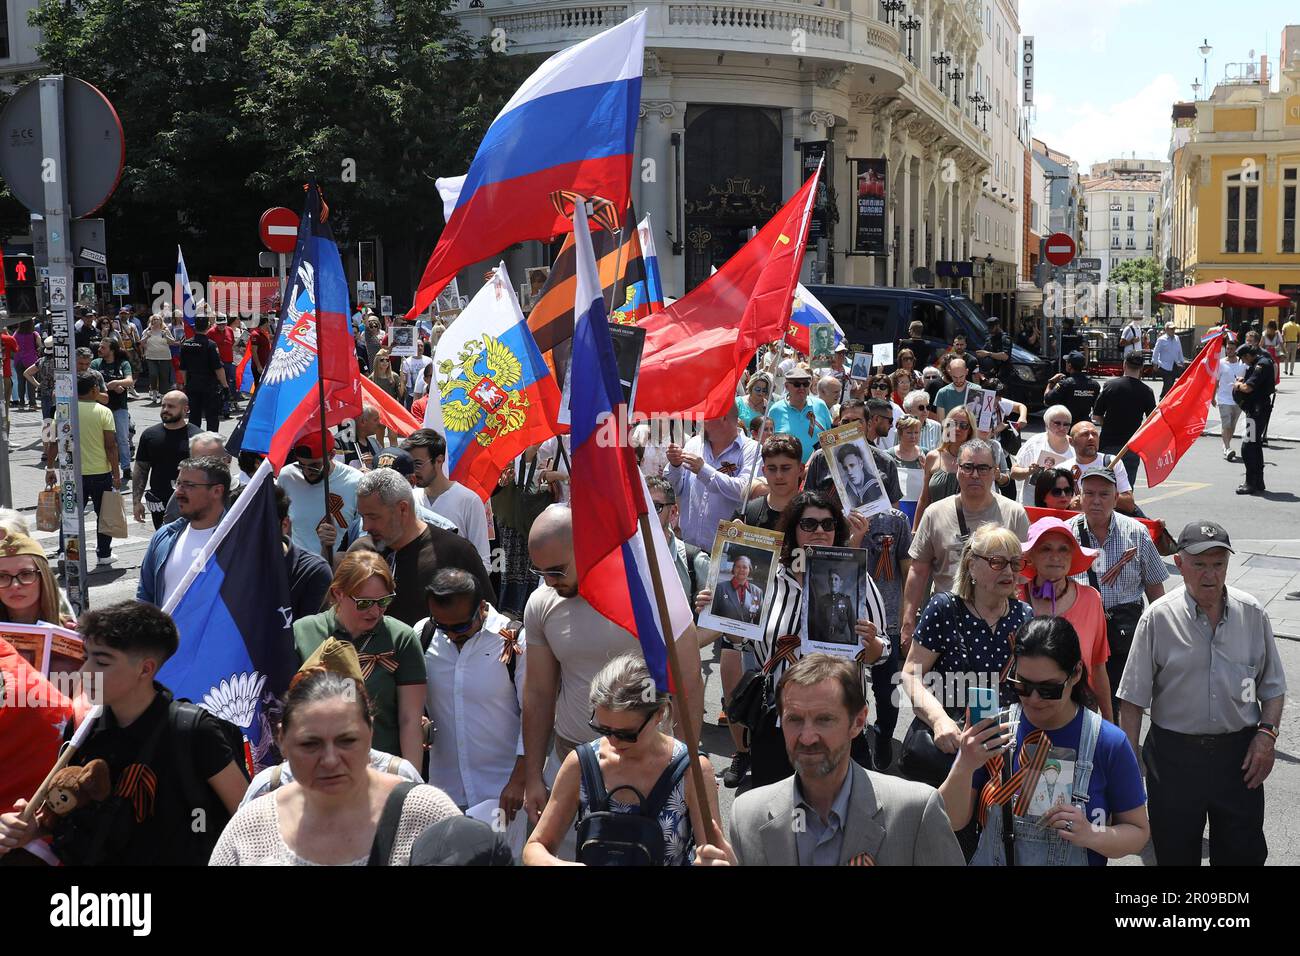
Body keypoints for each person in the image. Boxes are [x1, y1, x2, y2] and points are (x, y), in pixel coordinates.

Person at [0, 602, 250, 865]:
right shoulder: (84, 727)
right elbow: (68, 810)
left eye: (102, 661)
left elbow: (248, 818)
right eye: (86, 657)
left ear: (145, 669)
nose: (85, 672)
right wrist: (32, 829)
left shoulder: (192, 730)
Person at [521, 505, 705, 829]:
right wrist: (533, 775)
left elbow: (688, 685)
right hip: (568, 765)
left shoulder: (652, 595)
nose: (548, 582)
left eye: (557, 571)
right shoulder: (541, 605)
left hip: (651, 772)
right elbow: (538, 694)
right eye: (541, 573)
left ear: (585, 546)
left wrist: (687, 770)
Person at [1118, 520, 1287, 866]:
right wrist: (1129, 762)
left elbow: (1273, 687)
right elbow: (1132, 701)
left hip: (1239, 758)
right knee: (1175, 855)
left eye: (1218, 564)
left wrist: (1266, 737)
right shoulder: (1157, 619)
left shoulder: (1252, 614)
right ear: (1179, 565)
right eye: (1199, 564)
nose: (1209, 574)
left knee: (1243, 855)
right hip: (1174, 758)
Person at [694, 654, 964, 866]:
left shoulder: (914, 812)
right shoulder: (747, 816)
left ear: (858, 722)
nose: (807, 737)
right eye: (795, 719)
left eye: (824, 719)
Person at [698, 491, 883, 788]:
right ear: (793, 530)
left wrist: (871, 641)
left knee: (847, 817)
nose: (820, 531)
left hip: (840, 720)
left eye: (828, 524)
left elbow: (880, 654)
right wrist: (715, 609)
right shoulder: (767, 579)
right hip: (778, 722)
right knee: (777, 817)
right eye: (808, 524)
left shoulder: (858, 581)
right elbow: (738, 639)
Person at [939, 617, 1148, 866]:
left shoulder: (1108, 743)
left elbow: (1138, 832)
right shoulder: (995, 730)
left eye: (1048, 689)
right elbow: (951, 820)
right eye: (1023, 685)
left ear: (1076, 673)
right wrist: (964, 764)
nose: (1034, 699)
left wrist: (1092, 834)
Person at [210, 667, 460, 865]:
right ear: (281, 741)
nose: (330, 760)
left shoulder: (426, 813)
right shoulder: (251, 826)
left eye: (347, 741)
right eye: (310, 744)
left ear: (370, 733)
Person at [524, 654, 721, 866]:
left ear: (659, 713)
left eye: (627, 734)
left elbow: (715, 853)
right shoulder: (581, 764)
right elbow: (534, 848)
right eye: (604, 729)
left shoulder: (691, 771)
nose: (614, 742)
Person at [901, 526, 1033, 789]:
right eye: (997, 562)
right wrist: (939, 720)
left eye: (1015, 563)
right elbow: (910, 674)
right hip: (950, 745)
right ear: (972, 565)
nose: (1009, 571)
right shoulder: (944, 608)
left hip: (1004, 748)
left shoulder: (1025, 615)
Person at [292, 550, 426, 767]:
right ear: (338, 594)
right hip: (321, 768)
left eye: (383, 601)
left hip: (383, 769)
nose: (375, 611)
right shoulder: (303, 632)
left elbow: (410, 720)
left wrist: (412, 782)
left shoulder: (401, 638)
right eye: (364, 603)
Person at [419, 568, 527, 816]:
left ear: (481, 607)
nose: (452, 634)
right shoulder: (423, 636)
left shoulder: (514, 641)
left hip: (502, 794)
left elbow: (534, 715)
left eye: (461, 626)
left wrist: (520, 780)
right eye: (442, 626)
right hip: (443, 794)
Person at [901, 440, 1030, 648]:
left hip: (1000, 624)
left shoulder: (1014, 513)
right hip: (946, 621)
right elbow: (918, 570)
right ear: (957, 468)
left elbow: (1024, 575)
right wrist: (908, 622)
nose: (975, 475)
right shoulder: (935, 513)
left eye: (983, 468)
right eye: (968, 467)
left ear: (995, 471)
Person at [1067, 468, 1168, 716]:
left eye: (1104, 494)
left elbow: (1155, 588)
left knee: (1121, 701)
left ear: (1115, 498)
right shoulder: (1065, 535)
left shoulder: (1136, 532)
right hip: (1080, 635)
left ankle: (1119, 746)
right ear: (1079, 496)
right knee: (1081, 702)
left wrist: (1163, 636)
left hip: (1123, 634)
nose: (1096, 500)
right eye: (1089, 493)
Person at [348, 467, 494, 627]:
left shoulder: (454, 552)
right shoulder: (361, 552)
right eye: (362, 516)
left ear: (402, 509)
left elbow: (488, 621)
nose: (366, 526)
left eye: (373, 517)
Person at [1017, 516, 1112, 720]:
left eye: (1063, 549)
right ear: (1031, 555)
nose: (1055, 557)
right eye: (1046, 549)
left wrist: (1109, 722)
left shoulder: (1091, 599)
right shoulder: (1015, 599)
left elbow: (1098, 667)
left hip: (1079, 713)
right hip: (1026, 710)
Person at [137, 456, 230, 607]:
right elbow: (144, 597)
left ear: (217, 491)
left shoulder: (239, 540)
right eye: (178, 484)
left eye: (189, 485)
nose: (179, 492)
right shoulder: (164, 536)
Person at [665, 404, 759, 549]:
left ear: (724, 419)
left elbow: (745, 491)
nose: (700, 421)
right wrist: (675, 466)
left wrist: (703, 470)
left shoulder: (752, 450)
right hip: (688, 547)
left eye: (706, 418)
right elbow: (674, 490)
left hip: (725, 553)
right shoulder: (694, 443)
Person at [400, 428, 491, 567]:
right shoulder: (409, 498)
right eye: (409, 464)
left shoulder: (469, 501)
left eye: (418, 464)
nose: (413, 471)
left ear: (439, 460)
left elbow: (482, 561)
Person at [278, 430, 363, 557]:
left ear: (332, 454)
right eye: (301, 465)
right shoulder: (287, 476)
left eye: (314, 466)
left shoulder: (355, 481)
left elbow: (363, 532)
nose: (307, 472)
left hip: (339, 568)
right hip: (299, 567)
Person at [804, 399, 903, 507]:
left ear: (869, 425)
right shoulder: (821, 458)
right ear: (839, 424)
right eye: (846, 422)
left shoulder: (886, 462)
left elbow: (893, 507)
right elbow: (808, 500)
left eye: (857, 422)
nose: (850, 427)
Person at [69, 371, 120, 569]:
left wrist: (49, 467)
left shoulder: (64, 410)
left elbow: (54, 442)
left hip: (72, 474)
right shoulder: (103, 411)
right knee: (104, 515)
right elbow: (111, 446)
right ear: (93, 390)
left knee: (71, 515)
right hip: (100, 472)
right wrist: (116, 473)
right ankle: (104, 554)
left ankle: (70, 553)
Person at [131, 390, 199, 529]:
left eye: (171, 406)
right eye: (163, 406)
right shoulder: (149, 435)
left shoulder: (198, 437)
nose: (165, 410)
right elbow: (141, 469)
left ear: (185, 409)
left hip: (190, 502)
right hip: (159, 503)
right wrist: (136, 502)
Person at [1091, 350, 1156, 481]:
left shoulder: (1110, 386)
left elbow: (1097, 416)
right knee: (1127, 487)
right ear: (1141, 368)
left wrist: (1107, 424)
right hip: (1131, 445)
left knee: (1106, 483)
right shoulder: (1147, 391)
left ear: (1124, 364)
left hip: (1109, 442)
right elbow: (1152, 421)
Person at [911, 406, 974, 528]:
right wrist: (915, 530)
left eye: (964, 425)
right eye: (953, 423)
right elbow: (924, 499)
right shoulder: (933, 456)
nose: (957, 428)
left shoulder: (976, 458)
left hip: (967, 527)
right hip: (935, 526)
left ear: (970, 430)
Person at [0, 529, 75, 627]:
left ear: (44, 578)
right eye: (2, 576)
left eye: (26, 574)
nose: (15, 585)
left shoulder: (72, 635)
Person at [90, 335, 134, 484]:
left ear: (112, 350)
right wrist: (113, 386)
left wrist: (117, 382)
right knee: (104, 440)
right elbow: (91, 380)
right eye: (100, 347)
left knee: (122, 438)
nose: (99, 349)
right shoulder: (96, 363)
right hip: (100, 407)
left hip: (119, 407)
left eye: (103, 347)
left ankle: (126, 468)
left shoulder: (123, 363)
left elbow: (129, 380)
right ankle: (106, 468)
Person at [1232, 344, 1275, 495]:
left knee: (1248, 446)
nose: (1244, 362)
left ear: (1248, 355)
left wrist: (1238, 385)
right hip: (1257, 409)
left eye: (1244, 358)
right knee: (1255, 445)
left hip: (1256, 411)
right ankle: (1259, 481)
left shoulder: (1261, 365)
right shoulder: (1261, 362)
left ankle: (1250, 483)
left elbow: (1248, 388)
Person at [766, 365, 832, 463]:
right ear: (787, 386)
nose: (801, 388)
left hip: (818, 469)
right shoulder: (775, 410)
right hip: (787, 471)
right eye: (797, 384)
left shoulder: (820, 405)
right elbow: (768, 442)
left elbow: (830, 437)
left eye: (805, 384)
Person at [1010, 405, 1074, 505]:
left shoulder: (1074, 447)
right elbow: (1014, 473)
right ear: (1047, 423)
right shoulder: (1035, 443)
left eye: (1066, 424)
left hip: (1062, 508)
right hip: (1033, 505)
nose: (1062, 427)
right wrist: (1029, 471)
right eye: (1057, 423)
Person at [1067, 421, 1137, 514]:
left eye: (1094, 434)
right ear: (1071, 441)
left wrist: (1102, 494)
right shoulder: (1063, 468)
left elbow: (1129, 505)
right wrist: (1069, 504)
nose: (1091, 438)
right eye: (1084, 434)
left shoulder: (1112, 462)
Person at [743, 435, 804, 531]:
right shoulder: (746, 515)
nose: (778, 476)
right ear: (764, 471)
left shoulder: (817, 514)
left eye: (786, 468)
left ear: (800, 469)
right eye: (772, 469)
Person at [1214, 338, 1247, 462]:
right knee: (1226, 424)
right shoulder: (1221, 363)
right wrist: (1212, 397)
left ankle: (1225, 443)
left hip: (1238, 399)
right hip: (1223, 399)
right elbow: (1216, 381)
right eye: (1227, 348)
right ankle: (1227, 448)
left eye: (1232, 349)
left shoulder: (1242, 364)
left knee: (1232, 426)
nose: (1229, 351)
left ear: (1236, 350)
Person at [711, 554, 763, 624]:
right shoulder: (719, 588)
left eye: (745, 567)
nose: (741, 570)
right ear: (733, 569)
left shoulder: (757, 592)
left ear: (749, 570)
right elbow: (711, 615)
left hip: (745, 634)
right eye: (738, 567)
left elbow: (759, 621)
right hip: (720, 633)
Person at [141, 315, 178, 402]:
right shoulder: (147, 331)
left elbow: (173, 342)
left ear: (161, 321)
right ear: (151, 321)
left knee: (164, 376)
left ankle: (162, 394)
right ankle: (153, 390)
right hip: (151, 356)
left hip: (164, 356)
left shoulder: (165, 330)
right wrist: (147, 337)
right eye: (154, 319)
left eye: (157, 319)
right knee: (153, 374)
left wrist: (166, 336)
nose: (155, 321)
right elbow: (141, 343)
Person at [206, 315, 238, 416]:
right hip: (216, 363)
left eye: (223, 324)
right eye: (219, 324)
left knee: (228, 385)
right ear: (216, 323)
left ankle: (226, 407)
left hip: (228, 362)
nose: (221, 326)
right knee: (217, 386)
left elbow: (232, 344)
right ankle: (218, 407)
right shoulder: (210, 332)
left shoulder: (229, 330)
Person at [1151, 322, 1185, 397]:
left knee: (1170, 384)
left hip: (1174, 365)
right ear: (1166, 329)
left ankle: (1163, 399)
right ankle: (1163, 400)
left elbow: (1180, 350)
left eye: (1174, 329)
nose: (1173, 330)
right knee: (1168, 383)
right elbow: (1156, 352)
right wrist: (1155, 363)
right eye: (1171, 329)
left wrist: (1182, 361)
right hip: (1164, 366)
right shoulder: (1161, 339)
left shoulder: (1177, 338)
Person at [1262, 320, 1283, 385]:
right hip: (1275, 351)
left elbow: (1261, 343)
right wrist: (1284, 351)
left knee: (1267, 367)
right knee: (1276, 368)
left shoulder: (1264, 333)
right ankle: (1274, 383)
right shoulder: (1277, 333)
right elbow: (1281, 343)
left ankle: (1267, 382)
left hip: (1267, 351)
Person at [1282, 310, 1299, 375]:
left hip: (1287, 342)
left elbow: (1283, 334)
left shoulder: (1285, 325)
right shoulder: (1297, 326)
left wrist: (1283, 341)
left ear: (1289, 319)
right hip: (1295, 342)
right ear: (1294, 320)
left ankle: (1285, 370)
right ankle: (1291, 371)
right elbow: (1299, 334)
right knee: (1293, 358)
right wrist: (1298, 343)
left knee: (1286, 357)